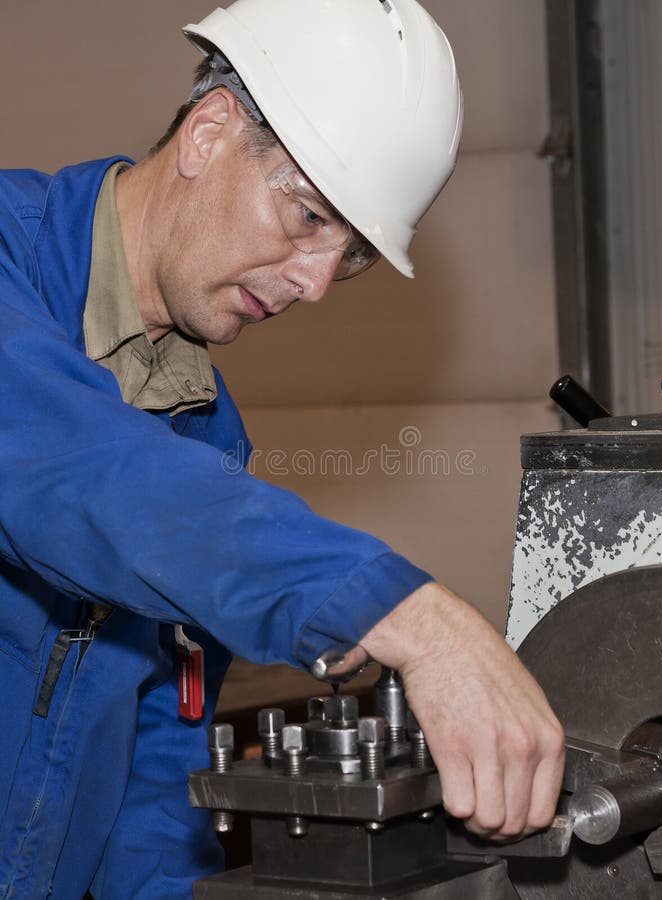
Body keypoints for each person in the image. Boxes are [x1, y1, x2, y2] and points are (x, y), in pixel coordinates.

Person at [0, 0, 565, 897]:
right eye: (307, 216)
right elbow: (77, 473)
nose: (314, 284)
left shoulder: (206, 433)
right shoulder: (8, 269)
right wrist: (411, 615)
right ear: (209, 132)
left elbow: (159, 767)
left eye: (348, 258)